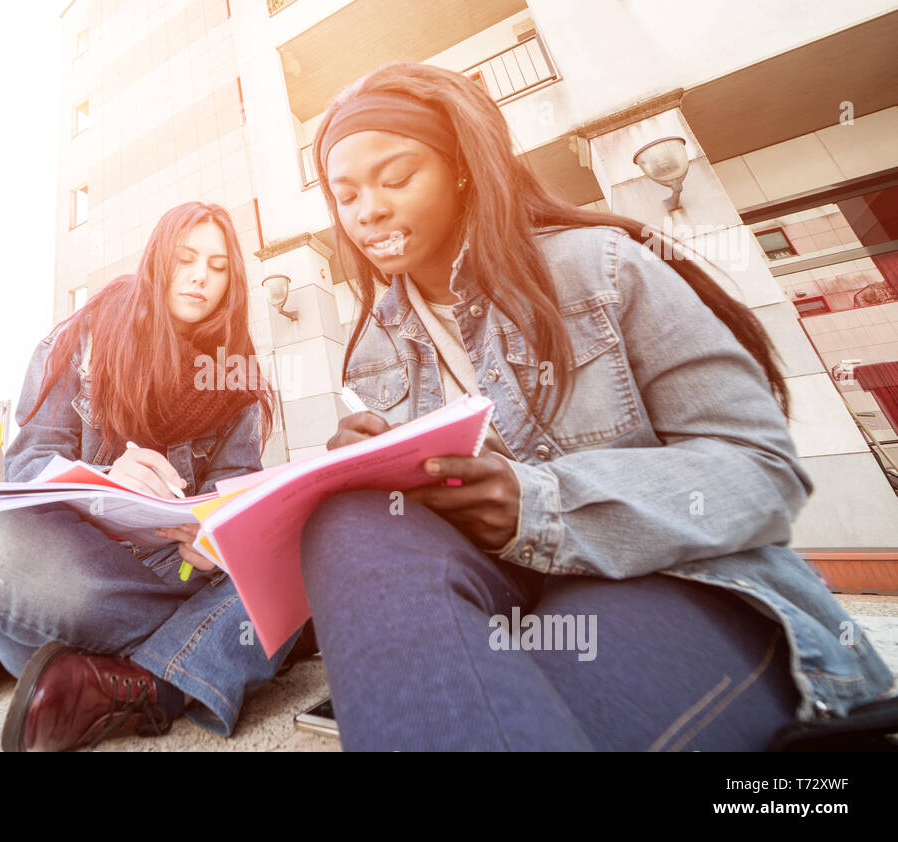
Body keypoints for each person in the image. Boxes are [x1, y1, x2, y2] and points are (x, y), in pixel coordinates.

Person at [296, 61, 895, 751]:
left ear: (462, 168)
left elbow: (761, 473)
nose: (367, 209)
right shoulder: (374, 348)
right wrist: (377, 476)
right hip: (514, 603)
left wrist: (538, 503)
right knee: (346, 519)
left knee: (522, 706)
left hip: (677, 584)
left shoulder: (601, 268)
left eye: (395, 177)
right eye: (345, 196)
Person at [0, 201, 301, 751]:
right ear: (157, 261)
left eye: (218, 267)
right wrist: (104, 478)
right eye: (185, 259)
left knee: (288, 556)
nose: (199, 277)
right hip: (80, 576)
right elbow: (25, 464)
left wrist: (218, 533)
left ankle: (125, 686)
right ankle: (192, 660)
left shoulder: (236, 375)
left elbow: (235, 486)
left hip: (177, 578)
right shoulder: (78, 342)